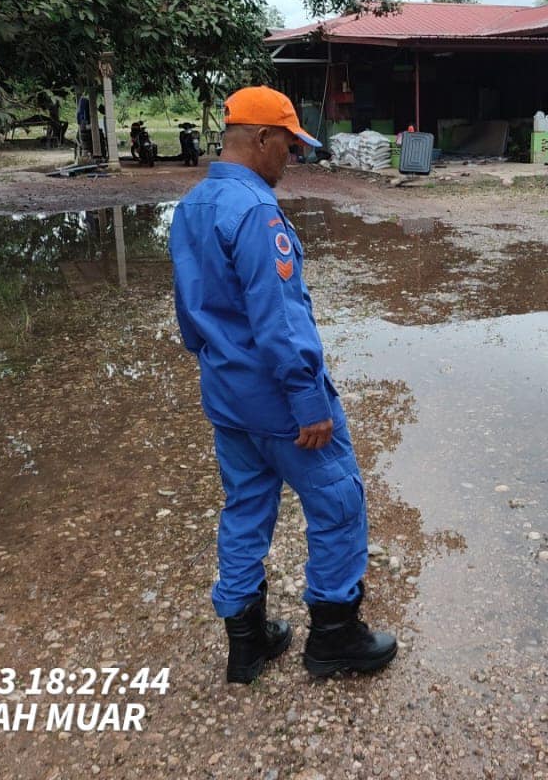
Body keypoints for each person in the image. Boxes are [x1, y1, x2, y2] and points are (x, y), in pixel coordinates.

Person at [169, 85, 396, 683]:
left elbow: (191, 315)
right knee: (338, 503)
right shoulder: (256, 212)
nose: (290, 161)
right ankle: (334, 637)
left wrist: (220, 367)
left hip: (226, 397)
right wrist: (307, 400)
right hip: (279, 401)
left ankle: (247, 644)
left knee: (245, 507)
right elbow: (279, 319)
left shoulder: (192, 206)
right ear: (263, 139)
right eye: (289, 147)